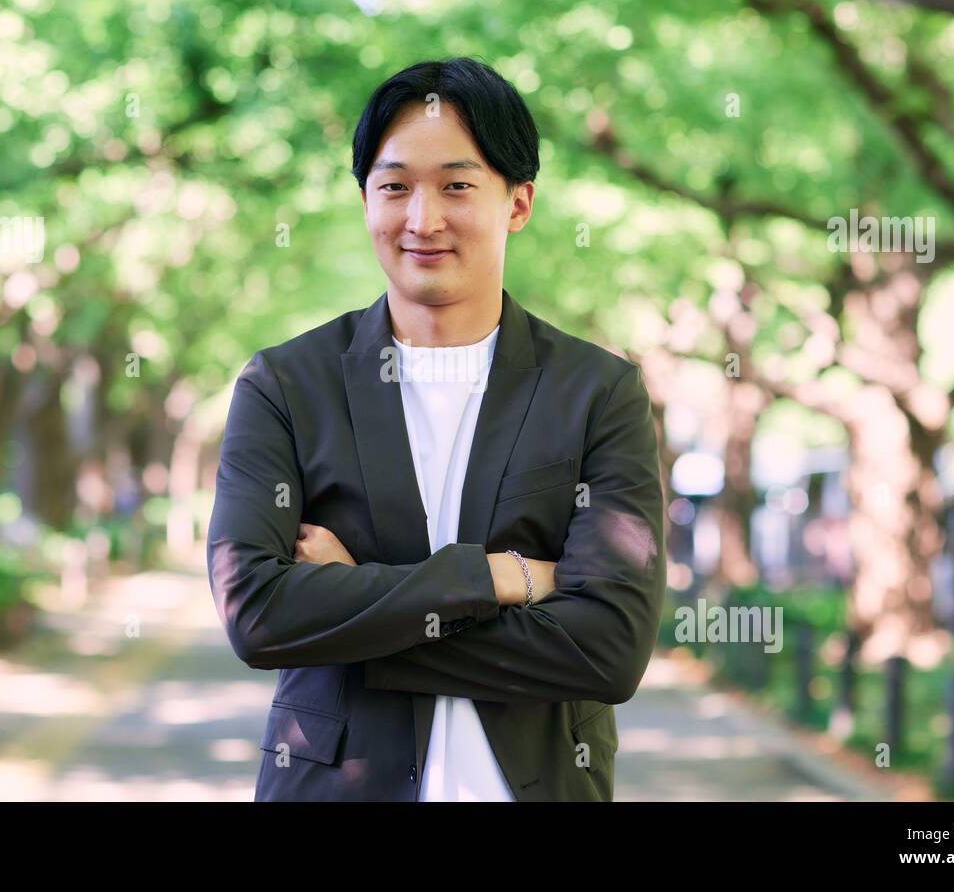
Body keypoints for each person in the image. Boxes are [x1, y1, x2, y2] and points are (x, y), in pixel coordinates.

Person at [207, 56, 666, 801]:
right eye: (394, 187)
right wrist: (505, 576)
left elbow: (609, 650)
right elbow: (258, 614)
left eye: (457, 185)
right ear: (365, 200)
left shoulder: (598, 393)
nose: (422, 219)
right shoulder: (287, 384)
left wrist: (354, 604)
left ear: (518, 202)